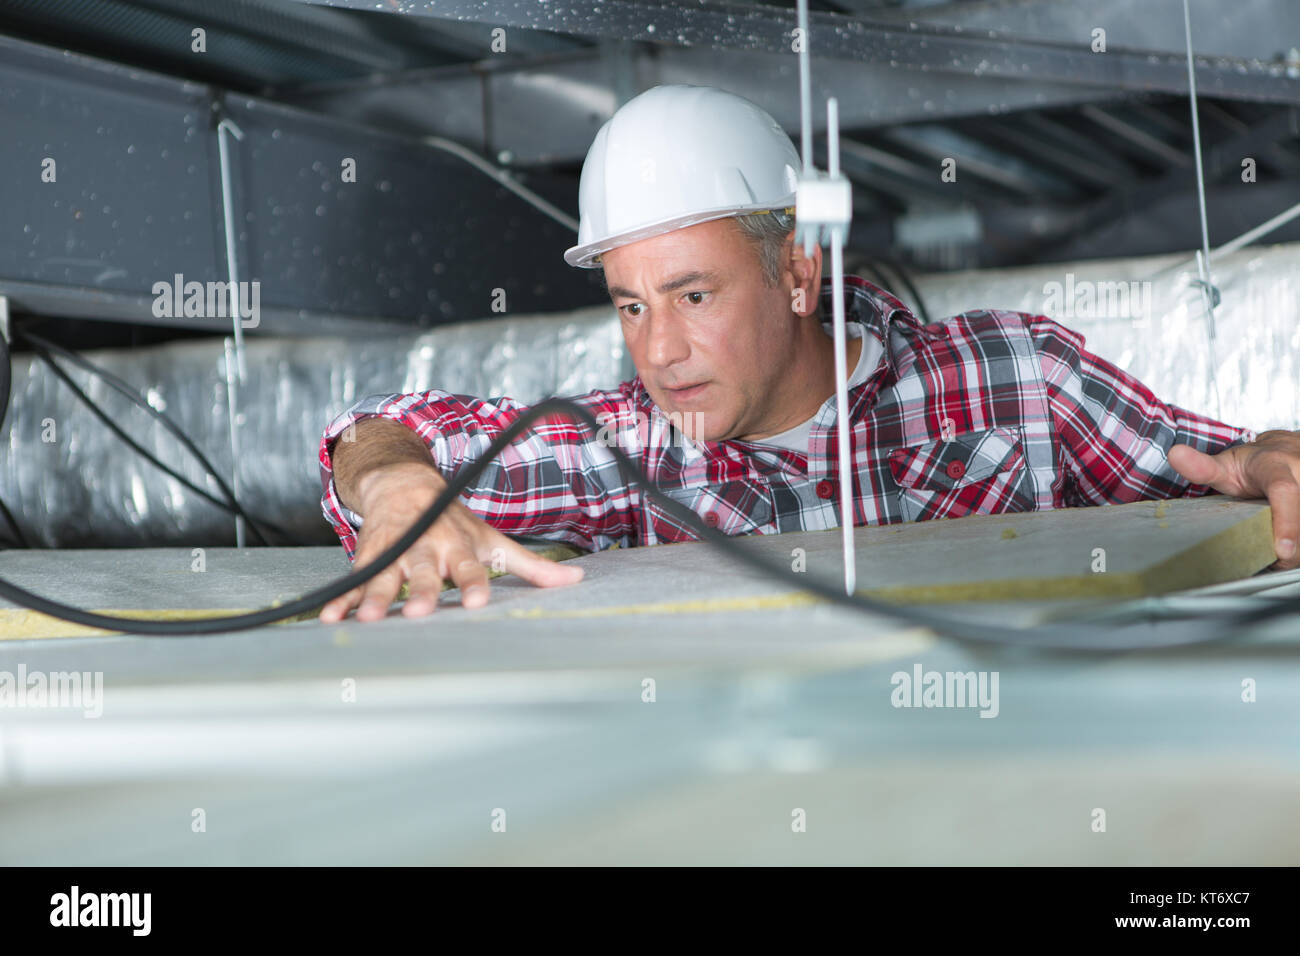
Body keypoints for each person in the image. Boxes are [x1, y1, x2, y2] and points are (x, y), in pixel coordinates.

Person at [316, 84, 1299, 624]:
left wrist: (1269, 457)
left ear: (795, 270)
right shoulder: (625, 451)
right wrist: (397, 483)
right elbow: (380, 431)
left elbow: (1222, 465)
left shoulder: (1013, 380)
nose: (659, 349)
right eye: (629, 304)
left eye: (693, 295)